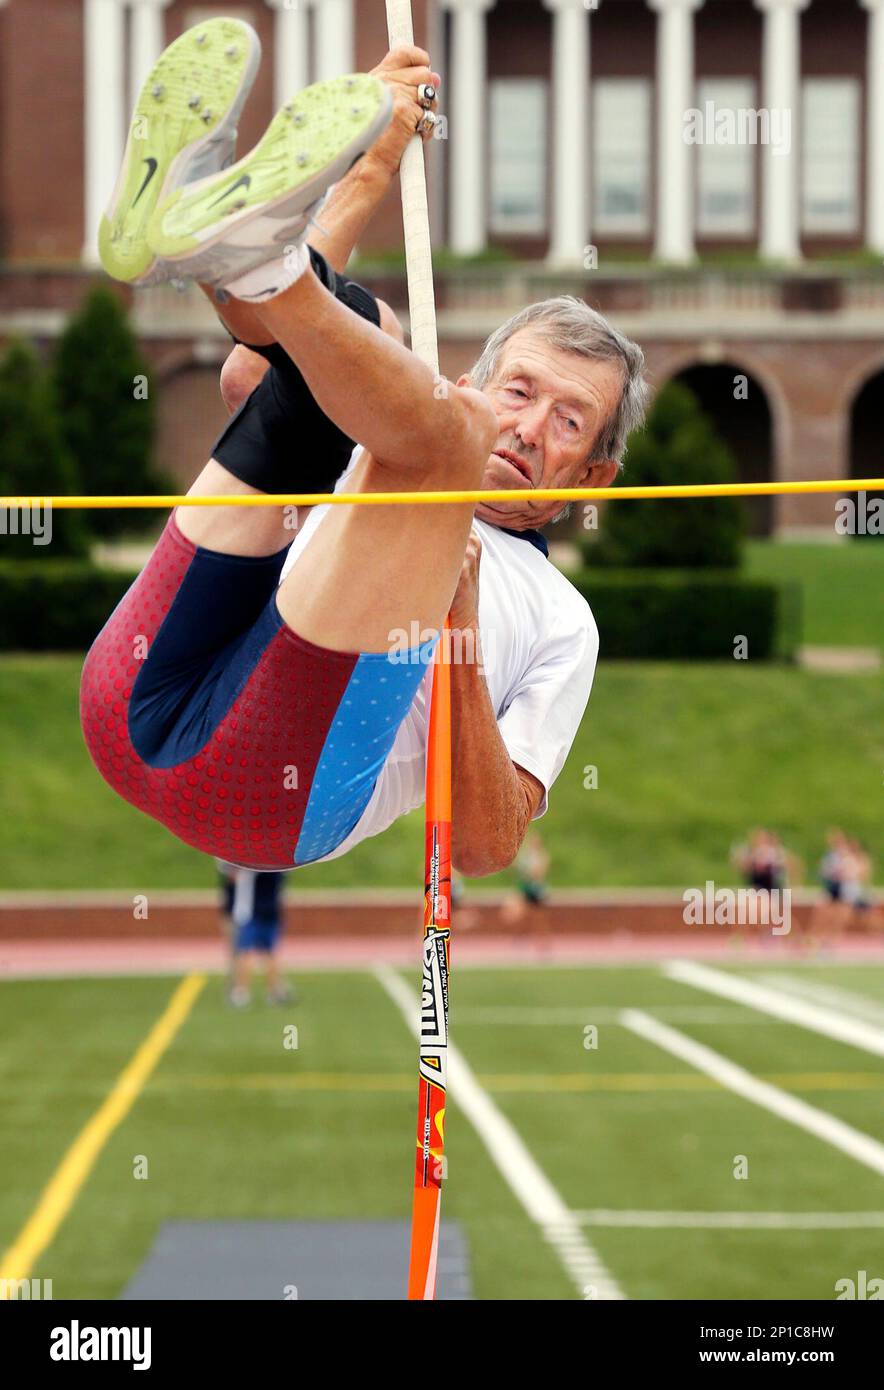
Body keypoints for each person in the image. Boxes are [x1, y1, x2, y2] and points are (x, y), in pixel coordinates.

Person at [80, 19, 648, 880]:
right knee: (371, 348)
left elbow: (487, 848)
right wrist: (374, 158)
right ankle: (232, 248)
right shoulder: (404, 426)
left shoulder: (564, 622)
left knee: (441, 429)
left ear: (592, 475)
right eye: (520, 392)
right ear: (486, 375)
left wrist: (458, 625)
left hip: (265, 799)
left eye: (568, 422)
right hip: (132, 695)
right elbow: (249, 376)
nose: (528, 429)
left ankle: (249, 264)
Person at [217, 859, 291, 1007]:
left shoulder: (249, 864)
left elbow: (232, 877)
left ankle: (241, 992)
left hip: (250, 912)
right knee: (269, 953)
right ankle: (274, 992)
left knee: (246, 952)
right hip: (271, 911)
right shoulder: (280, 864)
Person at [500, 830, 551, 949]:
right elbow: (515, 868)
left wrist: (527, 873)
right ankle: (519, 938)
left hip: (536, 890)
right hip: (525, 889)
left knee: (538, 918)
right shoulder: (525, 857)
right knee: (521, 915)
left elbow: (538, 873)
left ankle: (543, 941)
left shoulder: (542, 856)